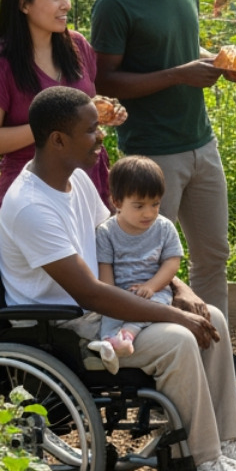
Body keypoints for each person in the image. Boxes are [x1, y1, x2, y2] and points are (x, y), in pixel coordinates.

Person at [0, 87, 236, 471]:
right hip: (62, 328)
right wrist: (173, 317)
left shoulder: (73, 180)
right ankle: (203, 465)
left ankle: (226, 444)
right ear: (58, 140)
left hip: (97, 310)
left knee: (212, 318)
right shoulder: (31, 207)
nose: (101, 136)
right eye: (91, 130)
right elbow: (90, 292)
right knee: (180, 339)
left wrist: (178, 288)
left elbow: (117, 244)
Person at [90, 0, 236, 383]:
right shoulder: (116, 1)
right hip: (152, 153)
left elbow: (185, 50)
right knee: (148, 261)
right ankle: (160, 360)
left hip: (201, 142)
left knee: (213, 254)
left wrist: (218, 63)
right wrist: (178, 74)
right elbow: (104, 81)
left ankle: (218, 357)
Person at [0, 0, 118, 209]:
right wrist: (58, 125)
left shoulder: (77, 46)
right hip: (32, 193)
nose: (66, 5)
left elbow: (86, 108)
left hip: (89, 184)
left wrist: (101, 115)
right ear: (24, 4)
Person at [91, 155, 183, 362]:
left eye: (155, 204)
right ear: (117, 202)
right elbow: (105, 269)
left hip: (152, 292)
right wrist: (112, 297)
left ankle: (128, 336)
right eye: (139, 206)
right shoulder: (106, 232)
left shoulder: (164, 227)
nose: (149, 213)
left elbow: (172, 262)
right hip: (119, 294)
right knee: (109, 316)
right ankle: (109, 342)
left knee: (154, 307)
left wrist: (151, 286)